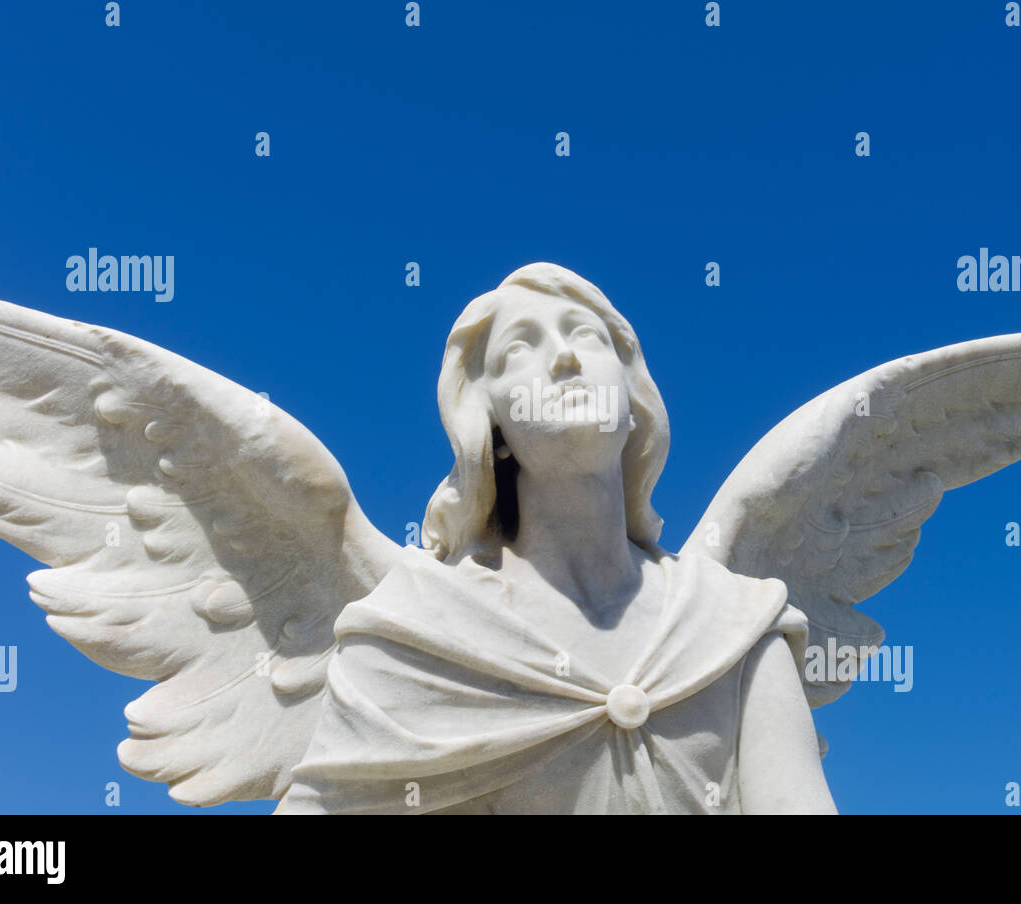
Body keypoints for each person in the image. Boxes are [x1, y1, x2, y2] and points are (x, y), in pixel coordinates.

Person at [277, 263, 834, 814]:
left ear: (633, 398)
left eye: (586, 335)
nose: (565, 358)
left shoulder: (736, 624)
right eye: (520, 349)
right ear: (491, 424)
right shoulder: (417, 628)